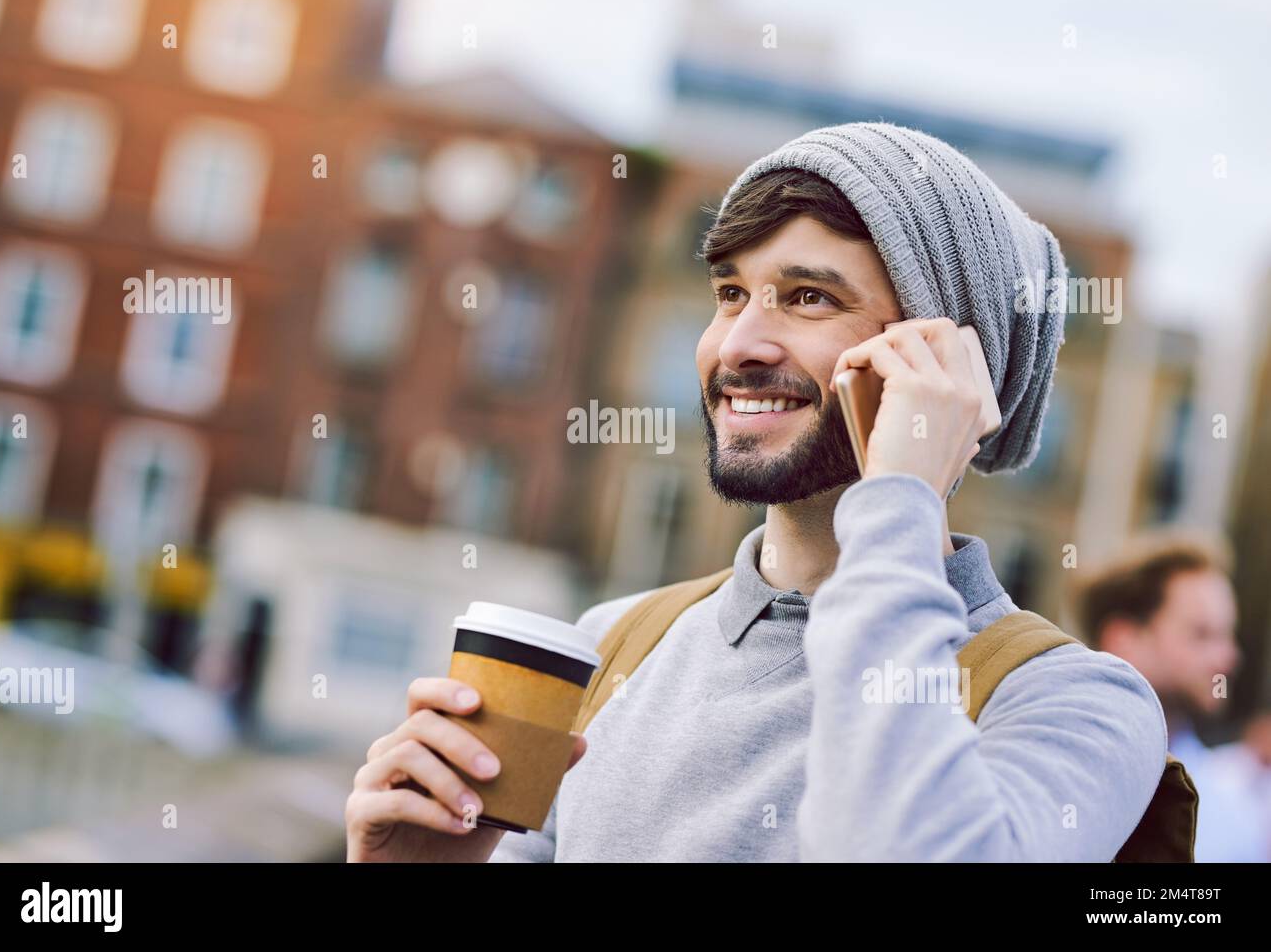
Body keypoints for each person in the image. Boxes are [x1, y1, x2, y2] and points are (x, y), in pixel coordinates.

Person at [345, 122, 1168, 862]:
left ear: (945, 364)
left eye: (809, 297)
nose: (736, 345)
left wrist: (899, 494)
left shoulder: (1073, 702)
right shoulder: (611, 647)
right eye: (731, 293)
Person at [1079, 539, 1268, 862]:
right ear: (1124, 638)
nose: (1230, 657)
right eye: (1202, 634)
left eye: (1228, 635)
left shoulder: (1236, 817)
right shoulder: (1050, 769)